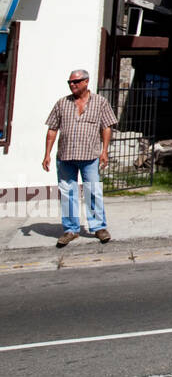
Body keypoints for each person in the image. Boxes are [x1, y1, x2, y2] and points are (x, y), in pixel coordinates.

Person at [43, 68, 117, 247]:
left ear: (86, 82)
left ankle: (99, 227)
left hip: (90, 156)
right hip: (66, 156)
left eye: (76, 82)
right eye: (70, 82)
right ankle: (70, 230)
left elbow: (107, 127)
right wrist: (47, 154)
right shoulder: (62, 103)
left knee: (93, 192)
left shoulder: (100, 102)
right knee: (68, 194)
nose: (72, 85)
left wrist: (104, 151)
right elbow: (52, 129)